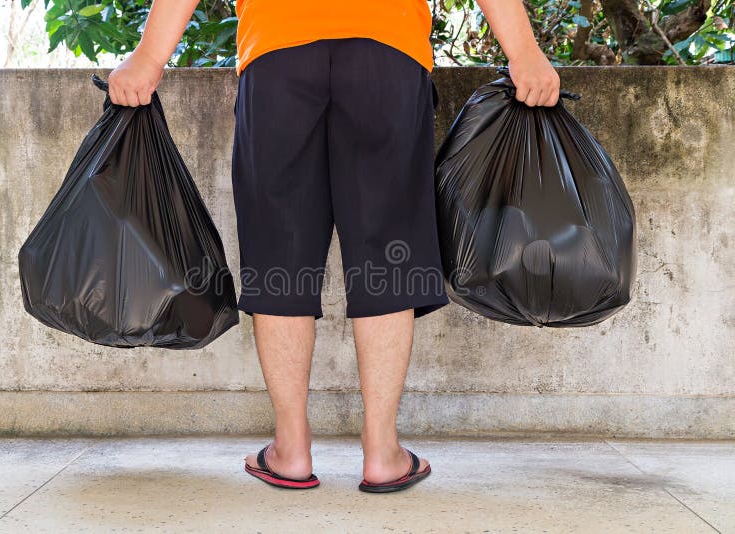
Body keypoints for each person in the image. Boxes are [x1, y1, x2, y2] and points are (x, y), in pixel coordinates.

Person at [109, 0, 560, 493]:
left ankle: (290, 450)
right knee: (390, 251)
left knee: (278, 251)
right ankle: (383, 451)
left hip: (278, 52)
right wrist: (524, 52)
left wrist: (150, 59)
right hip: (386, 51)